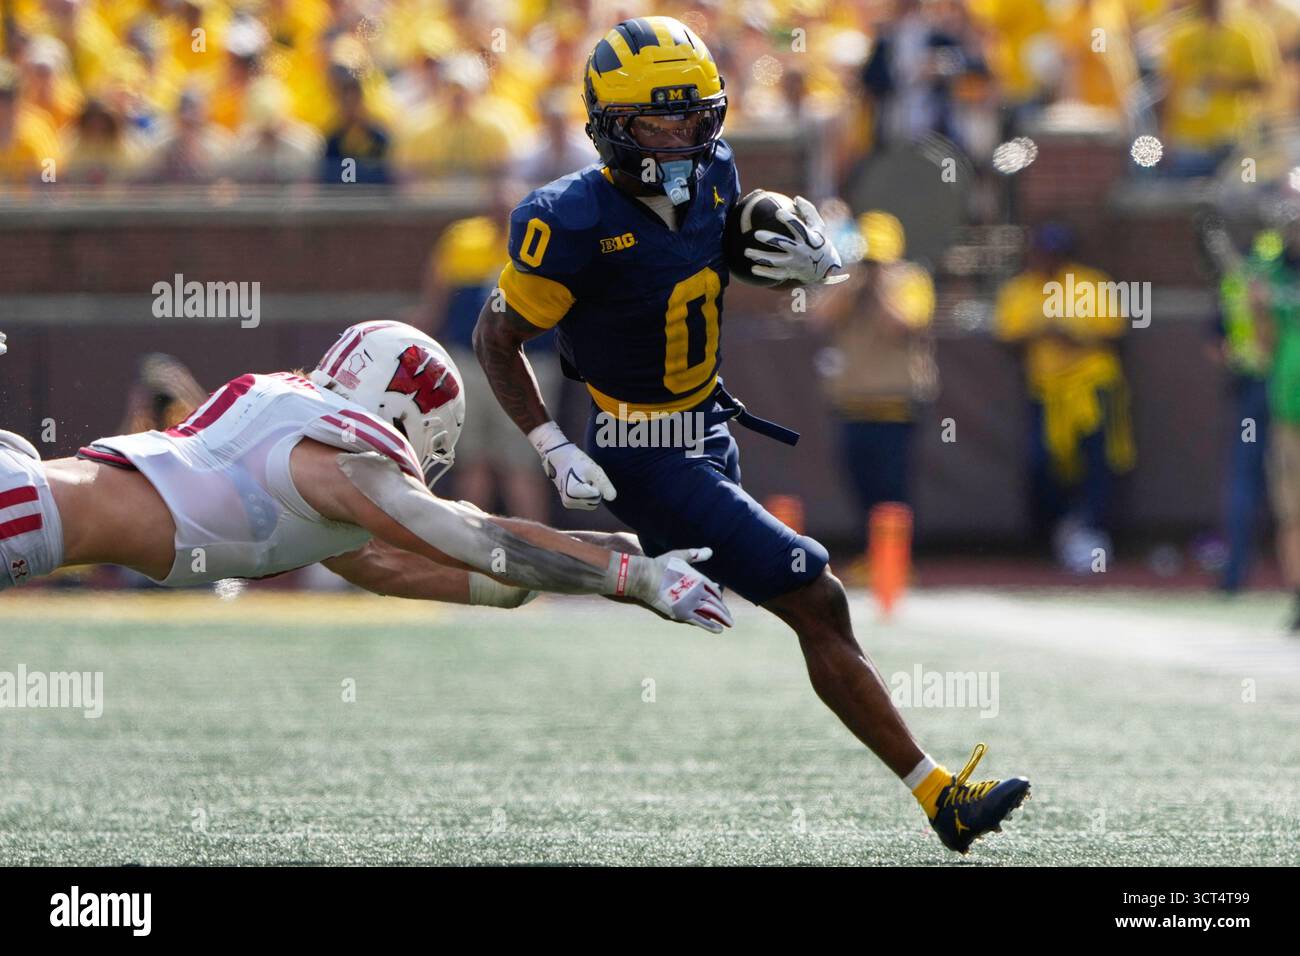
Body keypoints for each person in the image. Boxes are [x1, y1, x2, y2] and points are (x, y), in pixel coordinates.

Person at [472, 16, 1028, 855]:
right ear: (609, 126)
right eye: (662, 121)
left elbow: (717, 250)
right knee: (817, 593)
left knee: (737, 586)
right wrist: (550, 443)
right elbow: (496, 337)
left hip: (707, 429)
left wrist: (796, 258)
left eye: (698, 115)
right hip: (641, 448)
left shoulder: (714, 169)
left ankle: (621, 566)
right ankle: (940, 794)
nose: (686, 136)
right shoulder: (570, 219)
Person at [0, 321, 732, 636]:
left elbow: (470, 572)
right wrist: (630, 579)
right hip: (20, 512)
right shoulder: (338, 463)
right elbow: (476, 538)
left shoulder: (304, 463)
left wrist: (634, 551)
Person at [993, 222, 1135, 572]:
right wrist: (1040, 329)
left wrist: (1074, 333)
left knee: (1098, 461)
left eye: (1057, 253)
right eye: (1044, 252)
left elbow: (1114, 334)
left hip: (1089, 386)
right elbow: (1007, 337)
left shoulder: (1089, 282)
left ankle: (1091, 531)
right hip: (1047, 389)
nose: (1049, 260)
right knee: (1043, 463)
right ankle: (1058, 532)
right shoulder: (1021, 288)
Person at [812, 210, 937, 546]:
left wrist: (881, 286)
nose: (871, 266)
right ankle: (871, 553)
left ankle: (895, 558)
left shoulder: (911, 279)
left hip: (895, 404)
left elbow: (903, 325)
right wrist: (852, 284)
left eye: (876, 260)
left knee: (892, 488)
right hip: (852, 403)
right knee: (859, 482)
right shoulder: (848, 281)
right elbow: (818, 319)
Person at [1250, 217, 1300, 630]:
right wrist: (1257, 309)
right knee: (1292, 512)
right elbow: (1265, 348)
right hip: (1289, 409)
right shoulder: (1273, 272)